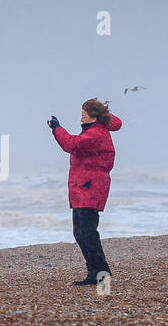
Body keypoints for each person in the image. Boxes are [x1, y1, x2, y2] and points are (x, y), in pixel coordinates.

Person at [48, 98, 123, 285]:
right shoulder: (93, 131)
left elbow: (72, 144)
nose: (81, 118)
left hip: (90, 187)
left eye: (84, 115)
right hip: (83, 187)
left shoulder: (96, 134)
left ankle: (101, 273)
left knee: (87, 232)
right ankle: (95, 272)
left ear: (93, 117)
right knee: (81, 232)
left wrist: (57, 129)